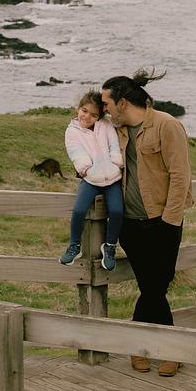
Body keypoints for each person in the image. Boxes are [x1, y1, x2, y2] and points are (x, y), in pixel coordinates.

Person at [101, 69, 192, 377]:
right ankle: (168, 351)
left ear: (123, 103)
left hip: (163, 221)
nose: (106, 111)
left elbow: (181, 176)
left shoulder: (167, 126)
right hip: (129, 223)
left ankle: (145, 347)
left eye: (108, 104)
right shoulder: (117, 131)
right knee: (152, 286)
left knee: (155, 286)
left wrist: (169, 221)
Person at [60, 90, 124, 272]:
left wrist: (116, 162)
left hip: (112, 178)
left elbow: (114, 144)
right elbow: (75, 152)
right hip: (90, 179)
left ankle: (110, 246)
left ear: (100, 117)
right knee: (79, 210)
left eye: (94, 114)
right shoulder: (72, 132)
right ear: (78, 108)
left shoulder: (106, 125)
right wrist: (85, 167)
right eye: (84, 111)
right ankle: (74, 246)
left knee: (117, 211)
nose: (87, 117)